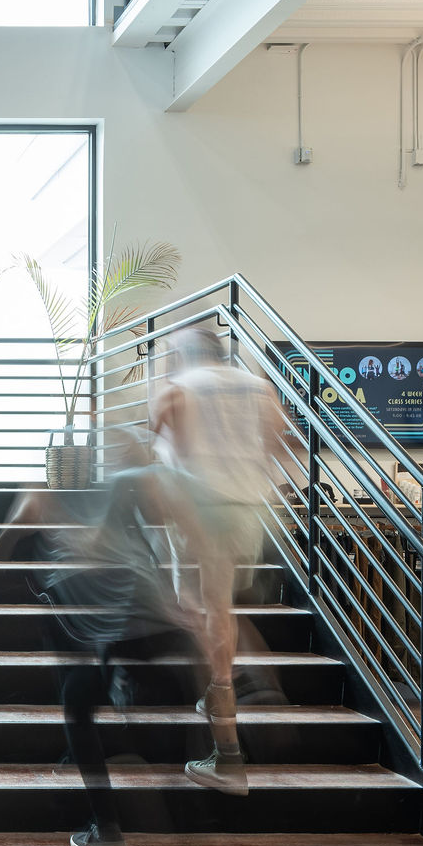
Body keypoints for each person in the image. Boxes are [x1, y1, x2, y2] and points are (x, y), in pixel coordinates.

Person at [0, 429, 205, 846]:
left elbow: (2, 548)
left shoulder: (45, 497)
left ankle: (106, 828)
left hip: (119, 629)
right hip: (155, 626)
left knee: (76, 697)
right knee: (74, 661)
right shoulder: (121, 490)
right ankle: (145, 701)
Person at [148, 325, 289, 797]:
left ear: (185, 354)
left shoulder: (178, 387)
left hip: (199, 509)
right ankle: (224, 688)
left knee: (193, 609)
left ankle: (227, 743)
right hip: (246, 511)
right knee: (218, 611)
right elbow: (276, 438)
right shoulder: (257, 386)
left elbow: (161, 437)